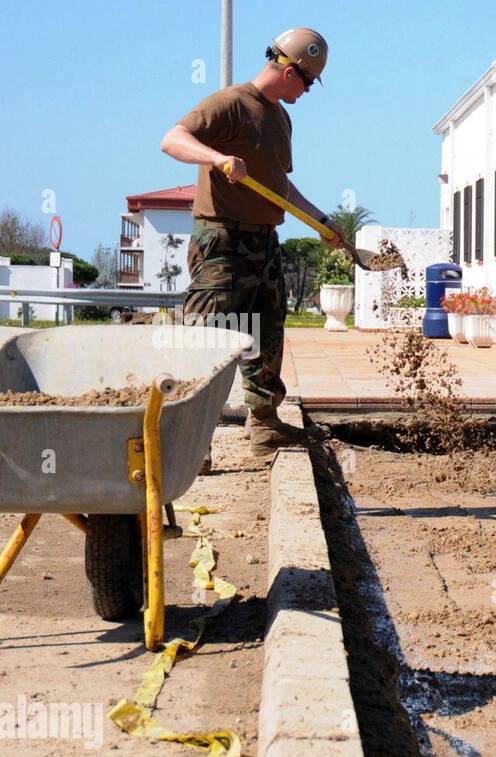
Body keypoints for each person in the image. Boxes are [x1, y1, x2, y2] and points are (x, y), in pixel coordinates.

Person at [161, 27, 342, 459]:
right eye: (308, 82)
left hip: (264, 241)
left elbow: (281, 187)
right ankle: (192, 444)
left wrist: (321, 221)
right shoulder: (229, 104)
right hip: (221, 239)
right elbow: (172, 140)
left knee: (266, 334)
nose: (308, 91)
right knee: (210, 338)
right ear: (288, 69)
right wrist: (217, 157)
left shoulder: (280, 118)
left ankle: (264, 425)